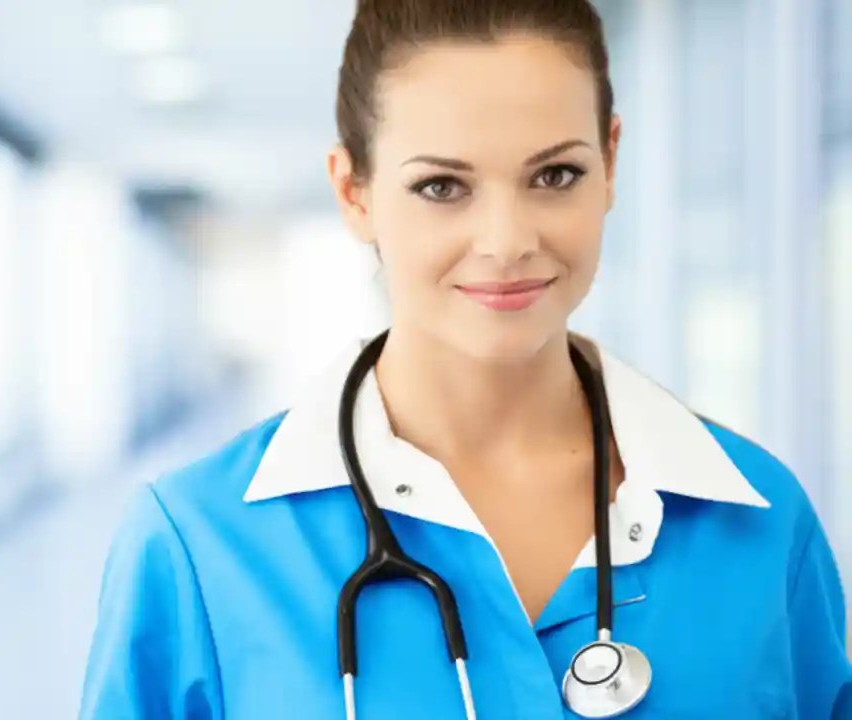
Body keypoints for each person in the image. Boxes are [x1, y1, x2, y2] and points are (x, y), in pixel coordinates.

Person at [78, 0, 852, 717]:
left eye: (555, 175)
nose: (507, 241)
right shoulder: (198, 547)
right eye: (442, 186)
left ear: (611, 163)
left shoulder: (763, 527)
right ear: (353, 192)